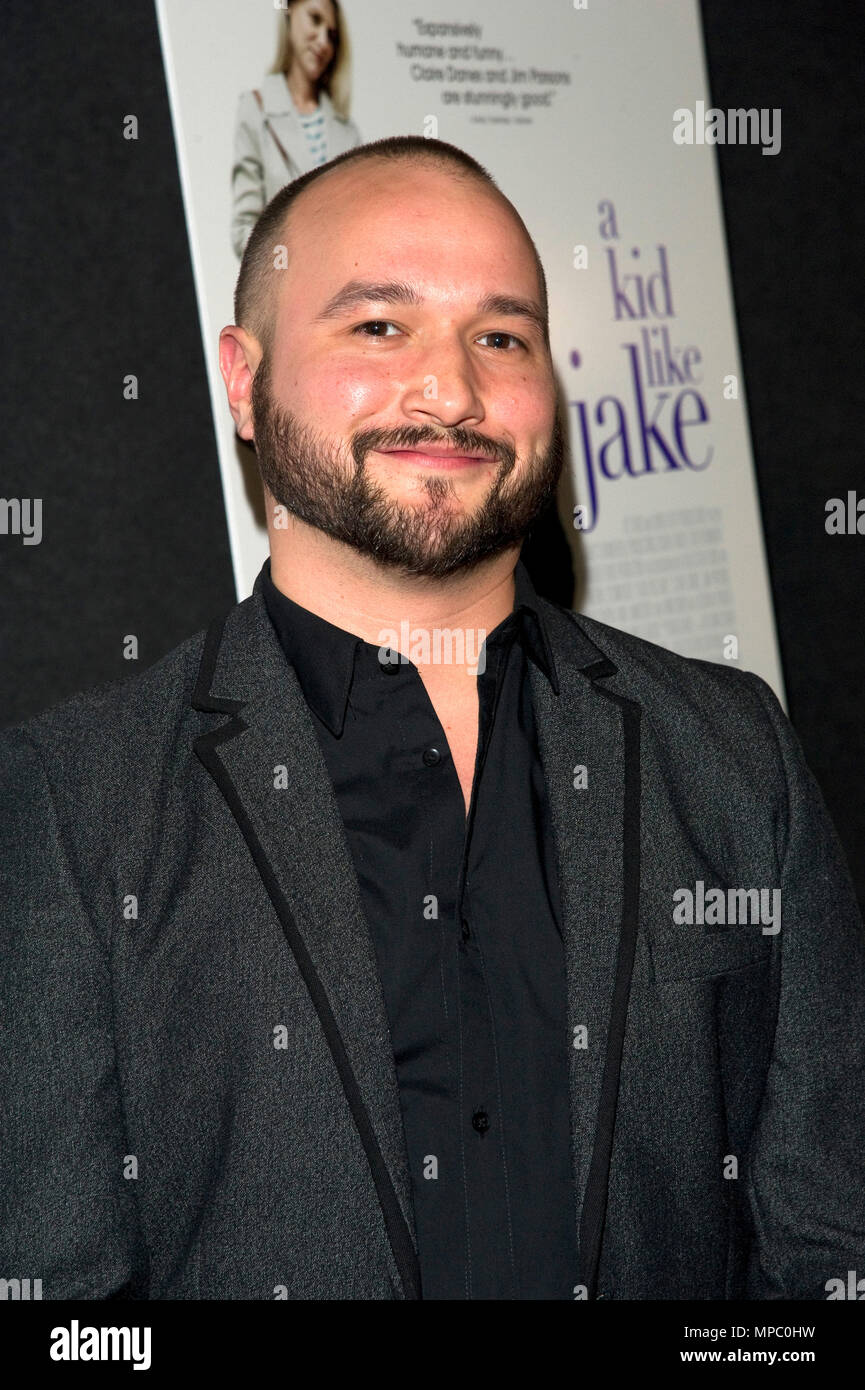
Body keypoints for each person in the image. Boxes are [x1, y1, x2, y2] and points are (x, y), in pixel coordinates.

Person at [2, 134, 864, 1301]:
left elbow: (826, 1244)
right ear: (244, 380)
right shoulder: (75, 802)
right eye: (378, 325)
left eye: (500, 337)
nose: (451, 391)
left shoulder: (731, 753)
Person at [231, 0, 362, 258]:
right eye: (315, 19)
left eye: (332, 36)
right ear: (289, 12)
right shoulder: (256, 110)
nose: (323, 42)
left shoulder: (347, 132)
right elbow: (243, 228)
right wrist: (286, 266)